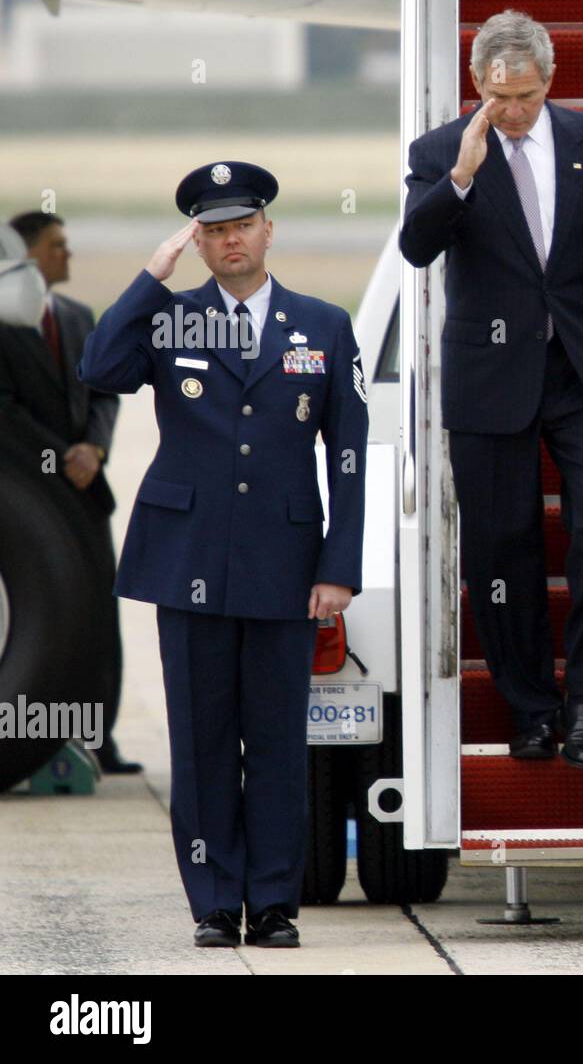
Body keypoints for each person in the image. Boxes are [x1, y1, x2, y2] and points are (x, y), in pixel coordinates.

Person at [79, 162, 368, 948]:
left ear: (269, 230)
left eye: (242, 225)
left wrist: (339, 567)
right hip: (189, 557)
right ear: (195, 241)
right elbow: (99, 366)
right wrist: (149, 278)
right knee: (202, 745)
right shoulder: (171, 319)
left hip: (284, 562)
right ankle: (213, 902)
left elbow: (349, 453)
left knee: (277, 742)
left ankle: (273, 902)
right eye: (212, 230)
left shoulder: (324, 325)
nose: (229, 240)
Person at [398, 9, 583, 769]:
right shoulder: (440, 151)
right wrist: (461, 174)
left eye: (527, 96)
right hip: (489, 377)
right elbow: (418, 246)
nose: (513, 111)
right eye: (499, 96)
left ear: (551, 81)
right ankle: (530, 706)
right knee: (501, 543)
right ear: (476, 83)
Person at [2, 213, 138, 774]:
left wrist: (95, 451)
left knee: (99, 618)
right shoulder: (6, 323)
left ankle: (98, 736)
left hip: (85, 490)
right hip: (33, 491)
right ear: (28, 259)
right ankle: (46, 737)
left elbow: (105, 394)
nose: (68, 255)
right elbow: (5, 404)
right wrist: (61, 454)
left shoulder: (81, 319)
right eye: (57, 247)